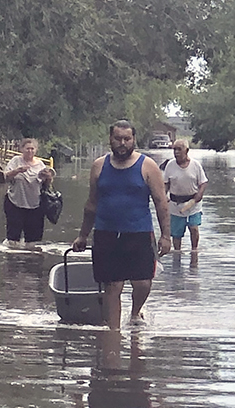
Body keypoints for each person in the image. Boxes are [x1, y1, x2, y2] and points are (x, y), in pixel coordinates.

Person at [72, 120, 171, 328]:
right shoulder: (99, 166)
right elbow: (91, 204)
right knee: (112, 285)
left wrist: (165, 236)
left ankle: (135, 313)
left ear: (134, 140)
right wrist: (82, 235)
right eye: (118, 139)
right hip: (106, 233)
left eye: (127, 139)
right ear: (110, 139)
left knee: (143, 282)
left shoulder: (147, 166)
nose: (122, 143)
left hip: (139, 233)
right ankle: (113, 332)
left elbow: (161, 203)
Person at [3, 138, 55, 250]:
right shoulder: (15, 161)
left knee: (32, 241)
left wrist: (48, 177)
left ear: (36, 150)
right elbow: (6, 177)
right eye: (27, 149)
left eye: (32, 149)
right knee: (13, 239)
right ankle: (12, 260)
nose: (30, 151)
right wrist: (17, 170)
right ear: (22, 149)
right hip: (15, 202)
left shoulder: (40, 164)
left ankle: (31, 262)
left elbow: (46, 185)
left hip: (35, 205)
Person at [162, 138, 208, 252]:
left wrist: (200, 194)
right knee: (176, 234)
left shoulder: (195, 165)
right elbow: (166, 183)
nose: (176, 152)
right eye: (174, 149)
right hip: (175, 204)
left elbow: (203, 182)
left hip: (193, 203)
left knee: (193, 227)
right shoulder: (170, 165)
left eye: (179, 149)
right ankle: (177, 254)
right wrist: (164, 195)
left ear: (186, 150)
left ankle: (194, 251)